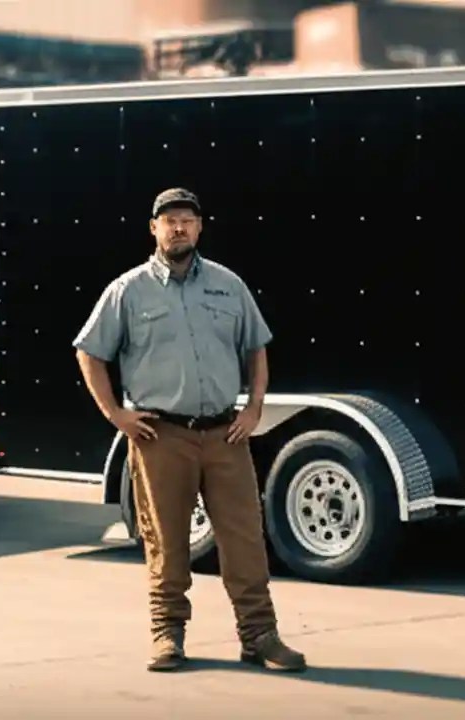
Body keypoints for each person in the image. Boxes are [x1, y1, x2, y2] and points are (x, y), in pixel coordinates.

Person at [72, 187, 307, 673]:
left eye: (187, 219)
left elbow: (256, 347)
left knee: (245, 539)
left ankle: (259, 636)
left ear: (200, 228)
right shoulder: (128, 291)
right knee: (167, 540)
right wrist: (116, 414)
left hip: (225, 435)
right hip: (161, 436)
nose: (178, 227)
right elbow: (89, 352)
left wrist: (254, 408)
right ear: (153, 228)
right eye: (169, 220)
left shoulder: (228, 285)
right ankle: (168, 634)